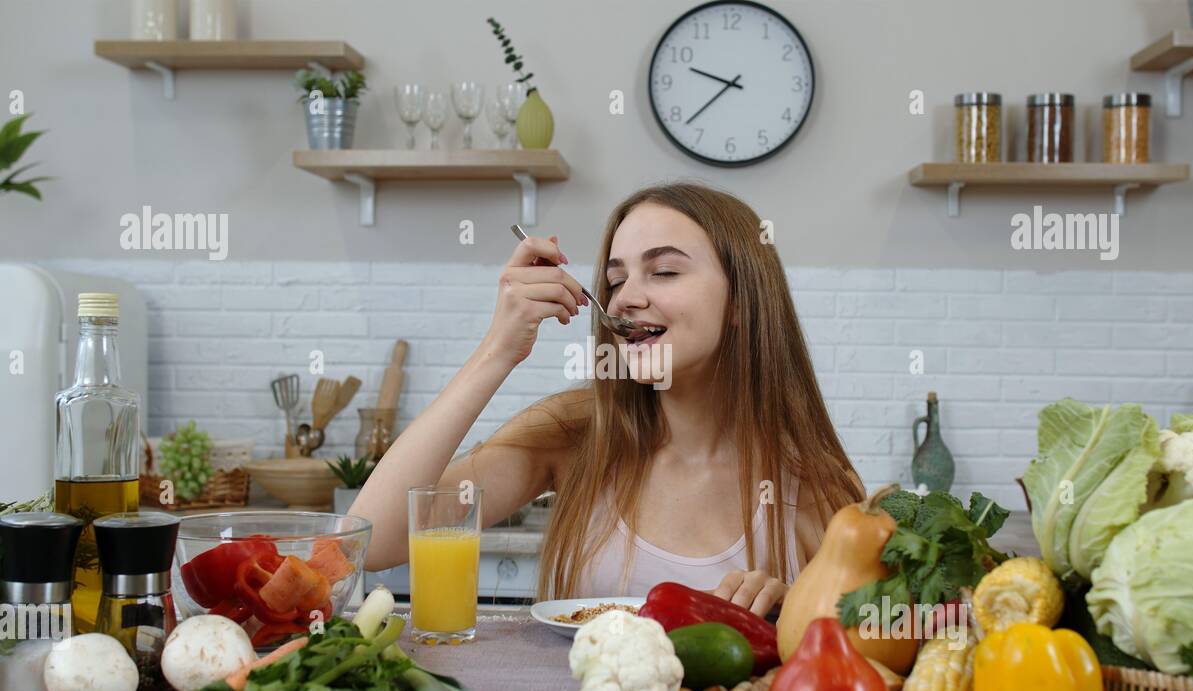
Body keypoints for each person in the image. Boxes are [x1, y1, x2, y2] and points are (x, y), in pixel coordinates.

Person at [354, 182, 863, 616]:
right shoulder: (575, 435)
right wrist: (498, 350)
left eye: (663, 272)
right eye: (616, 280)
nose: (625, 298)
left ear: (741, 301)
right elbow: (373, 542)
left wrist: (793, 611)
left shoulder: (814, 483)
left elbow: (867, 652)